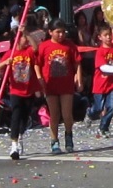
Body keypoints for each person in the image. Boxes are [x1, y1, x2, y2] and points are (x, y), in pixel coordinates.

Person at [35, 19, 83, 154]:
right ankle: (54, 140)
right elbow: (37, 64)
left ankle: (69, 135)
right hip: (50, 84)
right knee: (54, 114)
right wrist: (40, 80)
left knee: (67, 113)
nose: (61, 35)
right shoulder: (44, 46)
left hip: (66, 84)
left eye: (63, 32)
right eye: (58, 32)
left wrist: (78, 78)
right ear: (50, 32)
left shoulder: (70, 45)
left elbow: (77, 63)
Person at [0, 30, 40, 160]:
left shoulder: (28, 51)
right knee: (16, 115)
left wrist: (27, 33)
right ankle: (14, 144)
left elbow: (35, 48)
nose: (25, 40)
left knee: (25, 117)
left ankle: (20, 135)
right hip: (15, 90)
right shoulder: (10, 53)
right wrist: (5, 63)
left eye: (26, 38)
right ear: (17, 40)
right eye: (23, 38)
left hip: (29, 90)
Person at [88, 25, 113, 137]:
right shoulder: (100, 51)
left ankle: (103, 127)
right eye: (105, 35)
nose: (108, 37)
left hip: (112, 84)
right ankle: (90, 113)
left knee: (111, 106)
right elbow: (103, 67)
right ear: (100, 37)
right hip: (100, 84)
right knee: (98, 108)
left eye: (109, 34)